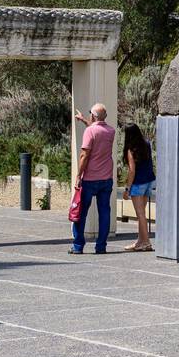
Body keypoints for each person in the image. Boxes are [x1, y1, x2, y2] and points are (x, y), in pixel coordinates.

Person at [70, 103, 115, 255]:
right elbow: (98, 130)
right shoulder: (110, 131)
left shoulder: (90, 131)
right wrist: (84, 120)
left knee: (81, 212)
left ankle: (78, 246)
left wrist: (78, 175)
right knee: (104, 212)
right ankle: (101, 246)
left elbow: (84, 155)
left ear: (93, 116)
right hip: (106, 178)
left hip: (89, 178)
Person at [121, 123, 156, 252]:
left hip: (138, 184)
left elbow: (132, 171)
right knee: (142, 213)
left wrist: (127, 189)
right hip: (149, 181)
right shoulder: (146, 143)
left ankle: (146, 242)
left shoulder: (131, 149)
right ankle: (140, 241)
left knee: (140, 214)